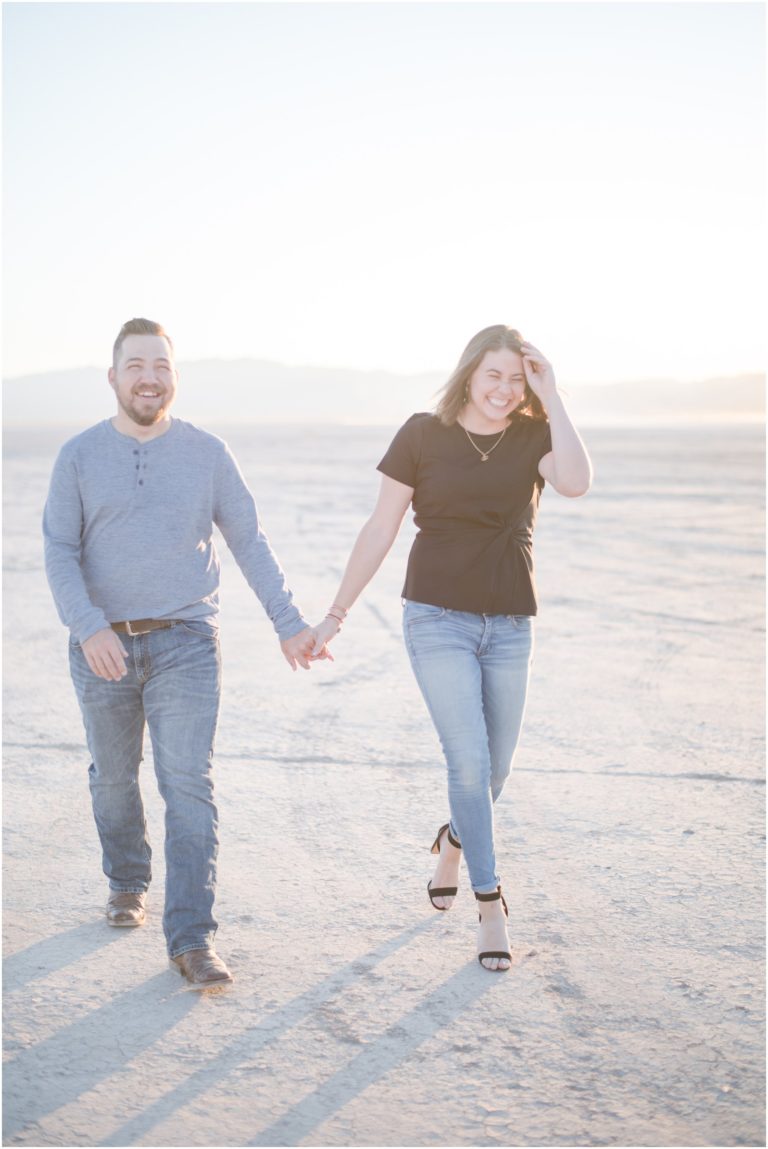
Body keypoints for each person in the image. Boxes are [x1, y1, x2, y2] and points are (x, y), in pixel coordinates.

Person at [43, 318, 325, 989]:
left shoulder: (208, 453)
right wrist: (89, 627)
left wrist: (289, 622)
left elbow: (249, 541)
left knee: (188, 785)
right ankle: (126, 879)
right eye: (135, 364)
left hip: (187, 644)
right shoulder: (78, 455)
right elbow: (59, 549)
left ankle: (192, 938)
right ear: (113, 377)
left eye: (161, 365)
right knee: (114, 779)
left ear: (175, 376)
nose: (149, 377)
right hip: (102, 647)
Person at [311, 325, 592, 971]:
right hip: (437, 618)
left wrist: (553, 398)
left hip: (511, 624)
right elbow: (381, 525)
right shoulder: (422, 432)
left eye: (517, 379)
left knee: (493, 772)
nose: (504, 389)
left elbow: (575, 482)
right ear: (469, 373)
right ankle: (490, 902)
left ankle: (453, 840)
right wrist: (335, 613)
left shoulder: (534, 435)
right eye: (494, 374)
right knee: (467, 761)